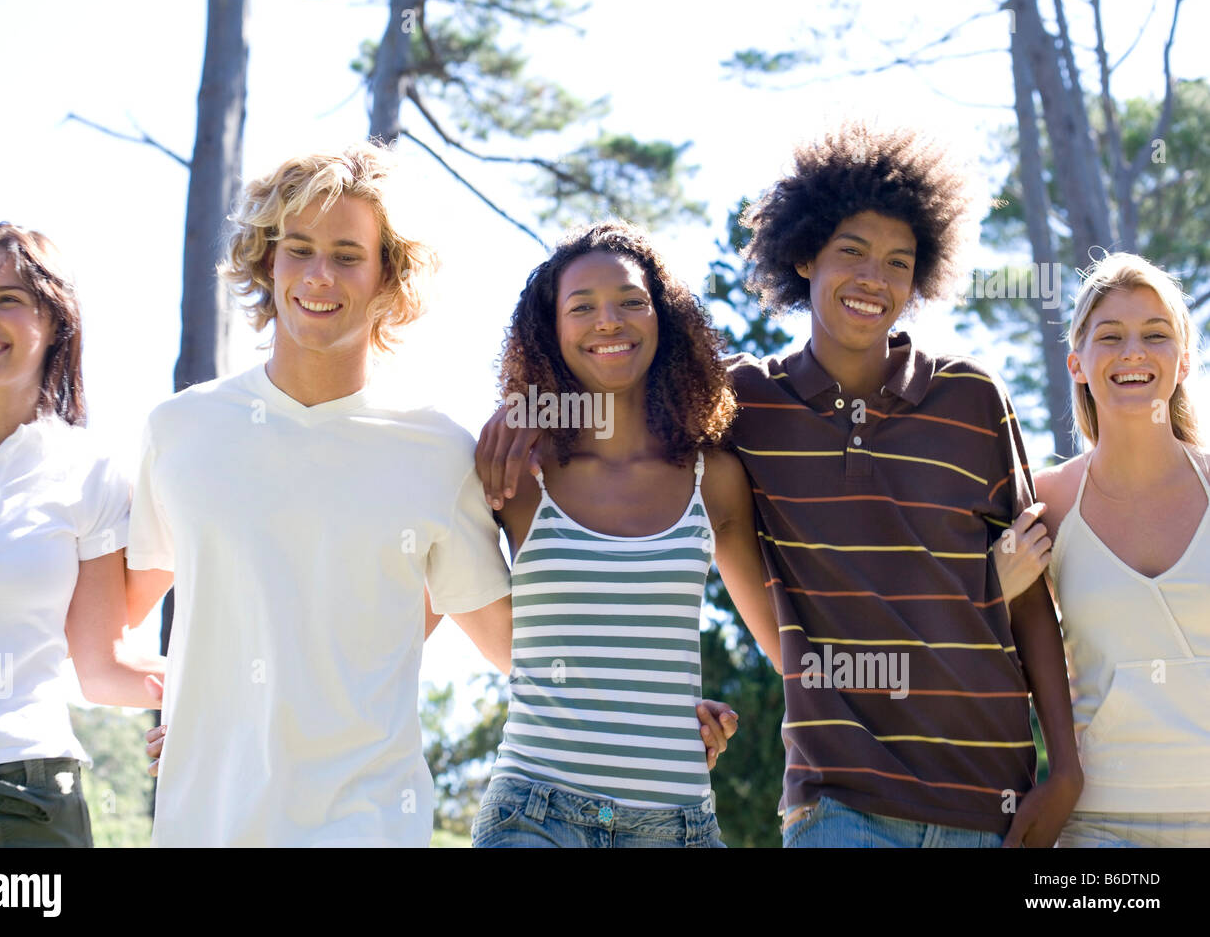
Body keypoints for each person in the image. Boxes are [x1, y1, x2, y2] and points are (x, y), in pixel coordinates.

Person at [480, 122, 1083, 847]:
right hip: (837, 802)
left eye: (899, 261)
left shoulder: (973, 399)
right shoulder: (744, 407)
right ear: (803, 256)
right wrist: (530, 407)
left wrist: (1066, 770)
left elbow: (1027, 596)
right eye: (851, 252)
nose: (873, 278)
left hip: (991, 797)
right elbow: (623, 419)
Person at [129, 146, 735, 847]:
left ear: (389, 274)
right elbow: (114, 637)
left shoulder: (440, 453)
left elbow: (522, 645)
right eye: (298, 249)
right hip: (204, 826)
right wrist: (201, 702)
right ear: (269, 261)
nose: (320, 275)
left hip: (373, 827)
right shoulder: (179, 432)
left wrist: (654, 716)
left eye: (348, 255)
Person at [471, 221, 779, 848]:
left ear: (663, 318)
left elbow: (784, 647)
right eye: (581, 307)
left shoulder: (711, 478)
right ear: (550, 332)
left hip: (680, 825)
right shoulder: (519, 471)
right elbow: (450, 592)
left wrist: (662, 712)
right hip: (535, 814)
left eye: (631, 301)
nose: (608, 321)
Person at [0, 223, 165, 848]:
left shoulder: (90, 473)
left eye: (7, 299)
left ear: (56, 320)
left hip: (34, 800)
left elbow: (102, 667)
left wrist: (206, 693)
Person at [994, 253, 1210, 847]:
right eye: (1110, 336)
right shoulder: (1045, 503)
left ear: (1184, 359)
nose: (1133, 351)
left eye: (1156, 335)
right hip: (1099, 826)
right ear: (1079, 363)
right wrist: (995, 588)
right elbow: (984, 649)